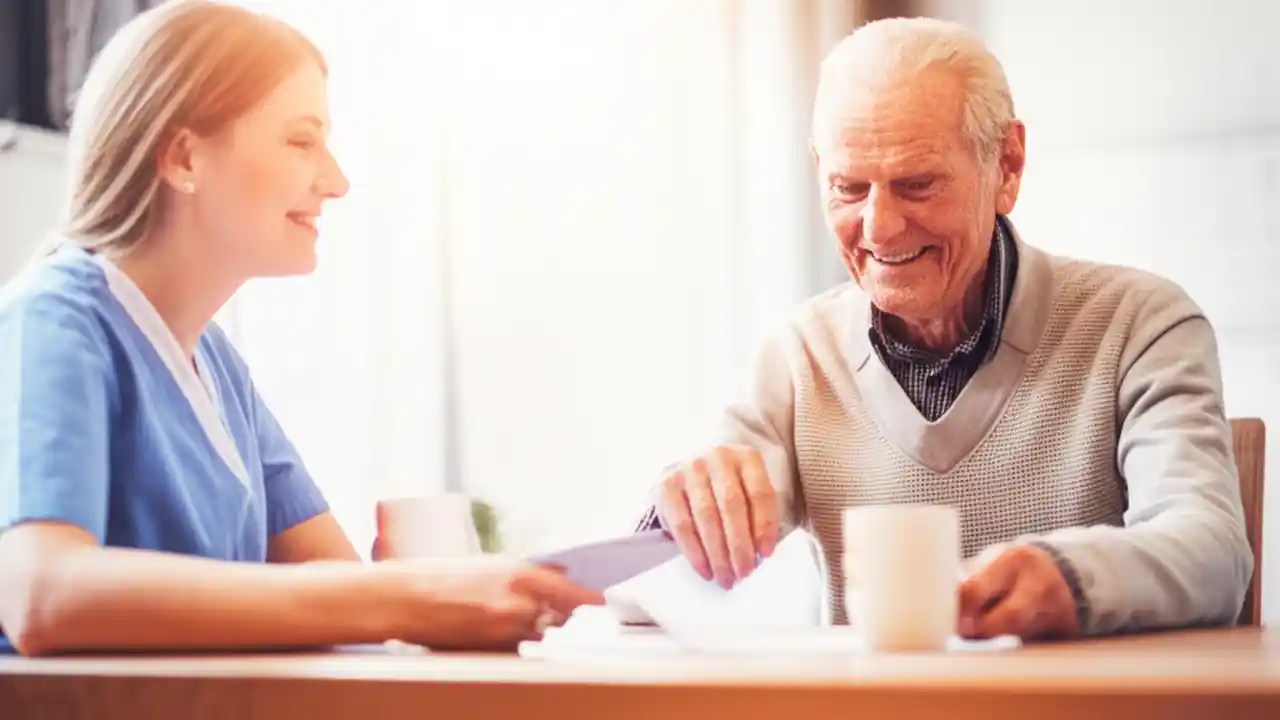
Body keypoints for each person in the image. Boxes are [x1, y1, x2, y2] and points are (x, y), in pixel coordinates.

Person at [0, 0, 599, 657]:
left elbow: (332, 579)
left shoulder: (215, 366)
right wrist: (408, 597)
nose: (336, 181)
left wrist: (435, 594)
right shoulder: (52, 323)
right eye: (301, 141)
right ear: (183, 159)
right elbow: (40, 595)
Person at [637, 17, 1252, 640]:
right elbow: (651, 588)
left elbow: (1213, 553)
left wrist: (1069, 577)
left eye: (918, 184)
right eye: (848, 188)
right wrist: (685, 513)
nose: (879, 228)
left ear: (1006, 165)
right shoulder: (797, 356)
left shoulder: (1139, 325)